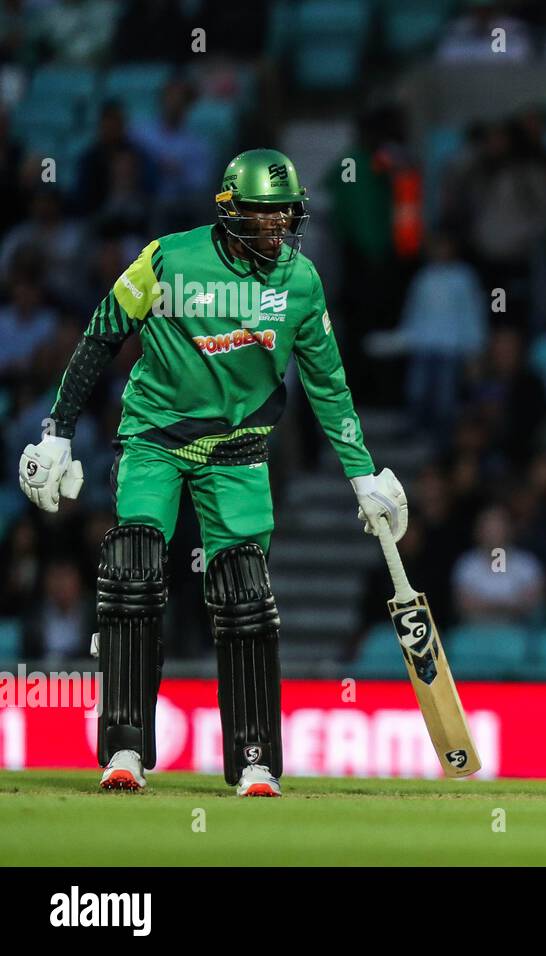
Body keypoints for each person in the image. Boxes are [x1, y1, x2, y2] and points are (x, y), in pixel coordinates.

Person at [16, 149, 408, 798]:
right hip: (156, 437)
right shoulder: (166, 259)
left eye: (286, 216)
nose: (279, 229)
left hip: (239, 446)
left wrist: (362, 474)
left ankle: (255, 758)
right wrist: (57, 431)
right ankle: (123, 746)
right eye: (265, 217)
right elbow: (101, 334)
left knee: (245, 594)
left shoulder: (301, 282)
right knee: (134, 569)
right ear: (229, 212)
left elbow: (328, 383)